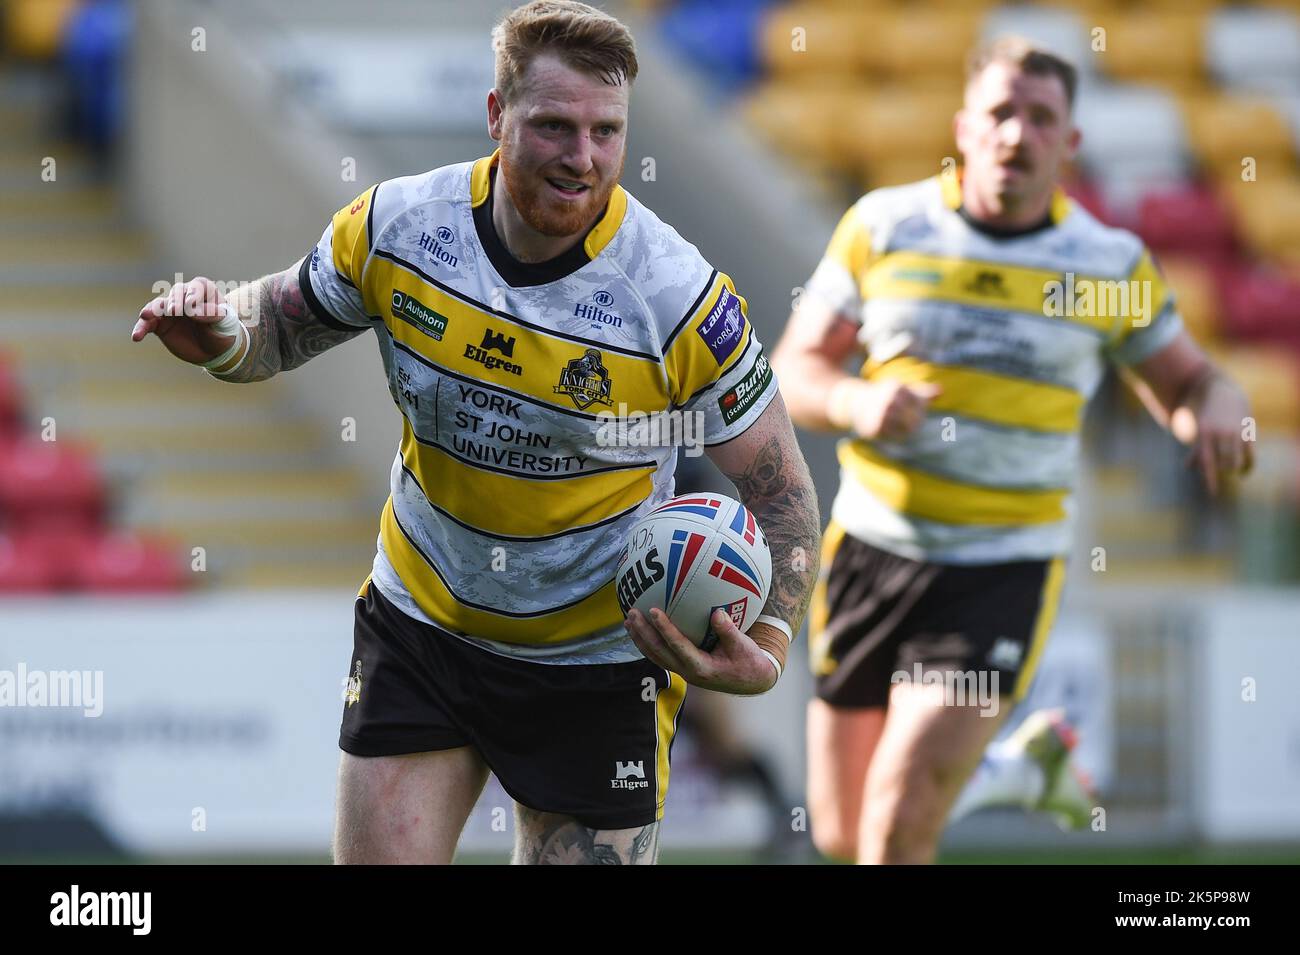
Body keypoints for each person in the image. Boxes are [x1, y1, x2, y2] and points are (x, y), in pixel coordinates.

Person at [131, 0, 819, 865]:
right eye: (555, 127)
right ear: (496, 115)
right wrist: (220, 336)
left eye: (608, 132)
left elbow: (784, 494)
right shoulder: (399, 226)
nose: (583, 158)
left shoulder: (677, 295)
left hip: (596, 662)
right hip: (424, 624)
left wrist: (771, 640)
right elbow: (275, 321)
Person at [771, 36, 1252, 865]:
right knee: (844, 834)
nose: (1016, 134)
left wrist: (1220, 407)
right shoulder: (884, 226)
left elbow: (1189, 386)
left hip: (1000, 568)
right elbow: (794, 369)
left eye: (1040, 118)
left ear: (1070, 144)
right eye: (1000, 113)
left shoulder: (1108, 266)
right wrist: (857, 399)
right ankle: (1014, 772)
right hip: (867, 550)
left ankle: (987, 772)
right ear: (964, 127)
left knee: (895, 830)